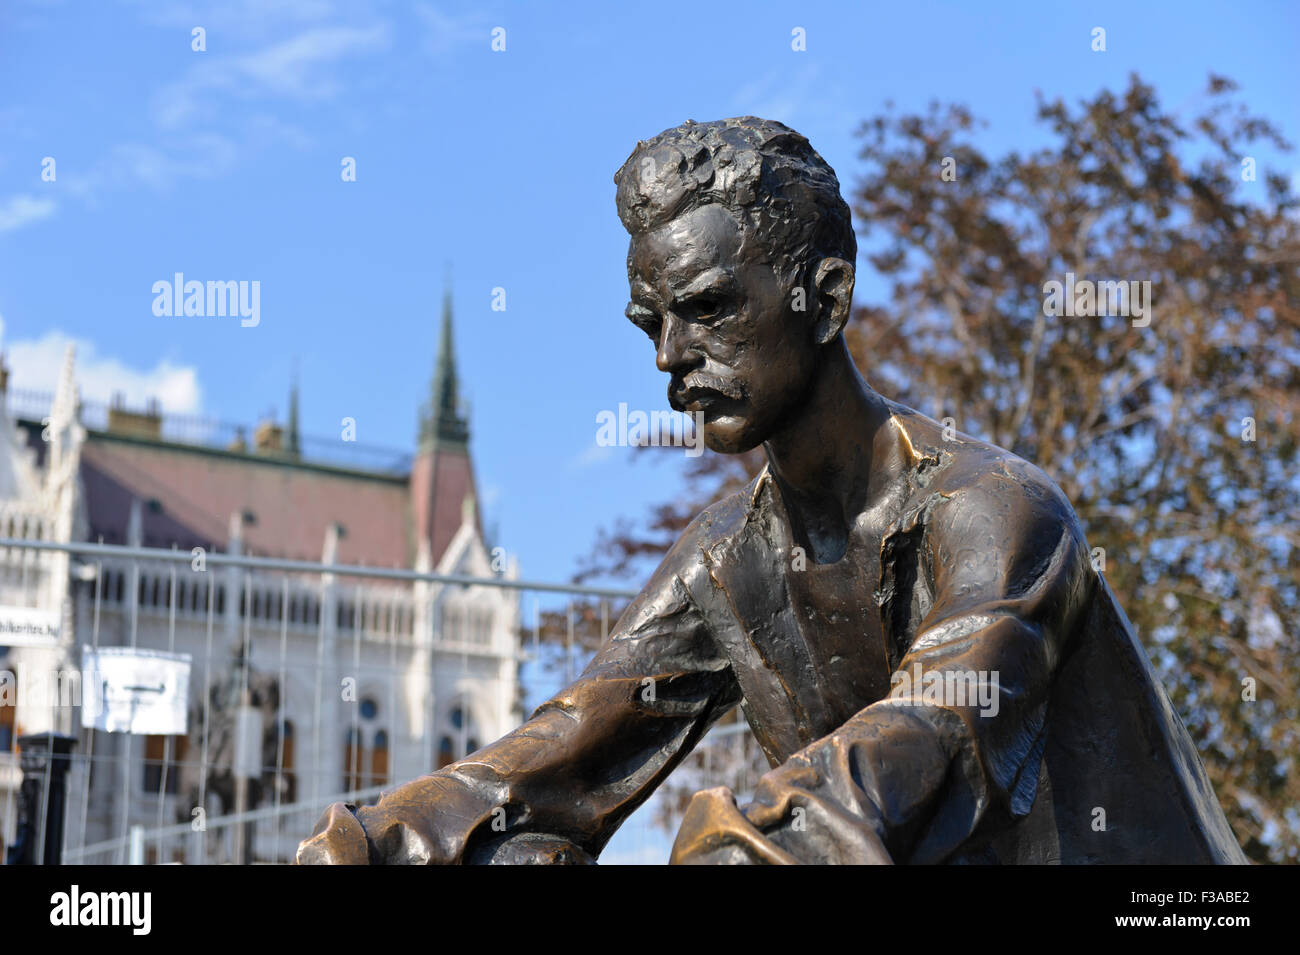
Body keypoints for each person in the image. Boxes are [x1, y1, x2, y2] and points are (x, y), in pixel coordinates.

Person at [297, 117, 1245, 865]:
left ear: (826, 302)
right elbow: (565, 742)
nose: (671, 356)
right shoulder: (728, 556)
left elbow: (932, 733)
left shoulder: (996, 509)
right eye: (652, 324)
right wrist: (377, 835)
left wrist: (739, 835)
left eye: (708, 308)